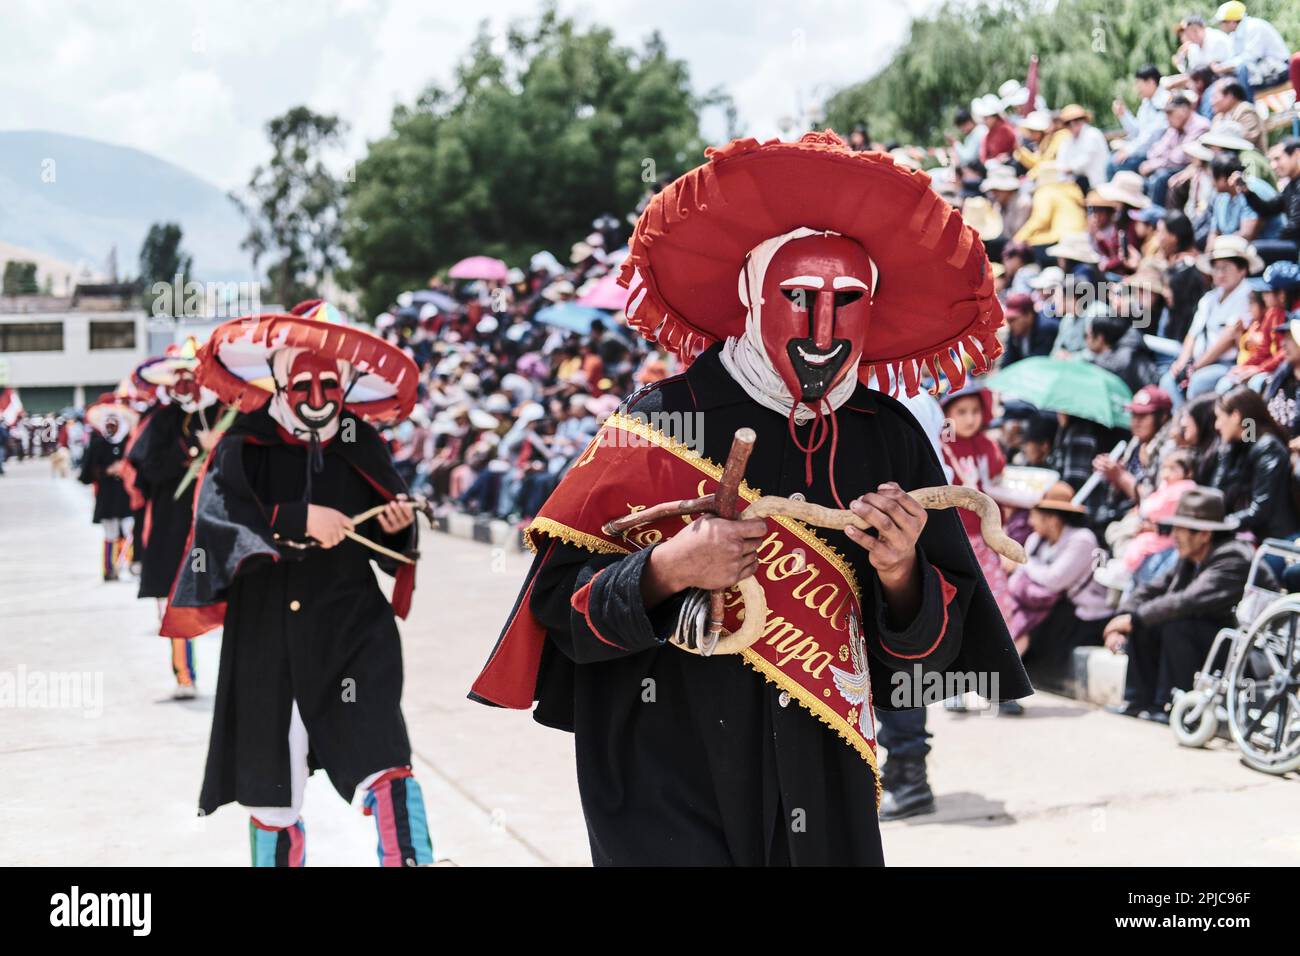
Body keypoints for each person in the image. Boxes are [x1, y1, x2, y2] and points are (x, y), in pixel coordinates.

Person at [470, 132, 1032, 866]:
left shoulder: (888, 435)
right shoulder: (659, 421)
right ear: (749, 296)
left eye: (846, 301)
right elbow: (560, 612)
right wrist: (667, 569)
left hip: (827, 771)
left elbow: (933, 659)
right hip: (664, 774)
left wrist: (901, 575)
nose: (823, 329)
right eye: (797, 298)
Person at [163, 301, 435, 867]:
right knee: (273, 780)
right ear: (282, 382)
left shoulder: (361, 440)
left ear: (346, 384)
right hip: (268, 635)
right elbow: (216, 522)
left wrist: (399, 525)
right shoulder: (244, 443)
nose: (317, 398)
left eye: (329, 385)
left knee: (381, 750)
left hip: (351, 625)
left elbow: (394, 545)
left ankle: (412, 862)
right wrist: (294, 519)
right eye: (304, 384)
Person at [1105, 486, 1255, 722]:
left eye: (1181, 529)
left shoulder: (1233, 557)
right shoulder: (1190, 556)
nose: (1174, 535)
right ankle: (1138, 701)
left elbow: (1188, 601)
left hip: (1236, 647)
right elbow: (1151, 589)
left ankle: (1171, 704)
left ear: (1204, 534)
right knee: (1147, 622)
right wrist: (1123, 617)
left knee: (1174, 624)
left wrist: (1134, 619)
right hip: (1204, 637)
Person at [127, 340, 220, 698]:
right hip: (172, 520)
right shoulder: (162, 419)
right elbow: (146, 468)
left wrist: (218, 447)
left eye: (191, 377)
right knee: (174, 595)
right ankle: (185, 674)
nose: (185, 385)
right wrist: (190, 455)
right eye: (178, 378)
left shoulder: (224, 412)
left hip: (215, 518)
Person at [1005, 482, 1113, 681]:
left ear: (1052, 520)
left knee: (1031, 624)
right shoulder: (1036, 539)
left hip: (1081, 614)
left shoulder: (1082, 540)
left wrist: (1024, 563)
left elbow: (1054, 580)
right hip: (1049, 605)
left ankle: (1007, 679)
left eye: (1035, 516)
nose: (1030, 521)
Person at [1162, 234, 1261, 405]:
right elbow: (1193, 334)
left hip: (1226, 363)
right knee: (1167, 381)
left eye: (1226, 268)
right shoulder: (1209, 298)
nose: (1220, 273)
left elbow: (1229, 337)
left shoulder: (1248, 296)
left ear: (1242, 270)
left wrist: (1197, 366)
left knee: (1198, 382)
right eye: (1216, 268)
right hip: (1197, 362)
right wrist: (1182, 362)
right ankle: (1180, 425)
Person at [1209, 384, 1299, 540]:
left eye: (1219, 417)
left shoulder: (1268, 448)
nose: (1217, 425)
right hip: (1259, 536)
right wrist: (1227, 449)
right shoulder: (1247, 443)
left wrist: (1221, 525)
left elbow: (1261, 509)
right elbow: (1218, 494)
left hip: (1280, 540)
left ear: (1235, 416)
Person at [79, 398, 138, 581]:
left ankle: (131, 564)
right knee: (110, 532)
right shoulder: (97, 444)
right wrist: (105, 471)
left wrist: (125, 468)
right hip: (107, 496)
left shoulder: (130, 443)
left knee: (130, 529)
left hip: (127, 494)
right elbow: (86, 473)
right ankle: (110, 568)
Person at [1233, 137, 1300, 263]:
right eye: (1271, 160)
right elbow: (1269, 209)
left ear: (1296, 154)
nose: (1273, 166)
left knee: (1251, 250)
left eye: (1278, 159)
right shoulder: (1291, 186)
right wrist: (1247, 192)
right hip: (1292, 243)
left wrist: (1276, 240)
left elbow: (1296, 226)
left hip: (1296, 246)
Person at [1140, 93, 1211, 206]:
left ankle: (1156, 218)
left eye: (1170, 112)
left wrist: (1155, 163)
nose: (1167, 117)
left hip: (1190, 168)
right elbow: (1155, 151)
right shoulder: (1176, 127)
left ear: (1184, 109)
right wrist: (1156, 161)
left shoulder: (1200, 125)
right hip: (1173, 166)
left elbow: (1179, 157)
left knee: (1160, 178)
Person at [1212, 1, 1292, 95]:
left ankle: (1247, 106)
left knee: (1243, 69)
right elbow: (1234, 58)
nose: (1220, 26)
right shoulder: (1235, 35)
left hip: (1279, 69)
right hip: (1262, 70)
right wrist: (1221, 66)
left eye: (1221, 22)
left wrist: (1224, 67)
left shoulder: (1253, 27)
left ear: (1232, 22)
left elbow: (1250, 57)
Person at [1111, 65, 1170, 176]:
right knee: (1113, 159)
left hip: (1156, 153)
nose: (1137, 88)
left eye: (1139, 84)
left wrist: (1128, 150)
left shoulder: (1165, 101)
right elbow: (1137, 132)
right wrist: (1123, 115)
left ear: (1151, 82)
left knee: (1116, 164)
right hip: (1143, 150)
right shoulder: (1146, 103)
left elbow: (1152, 137)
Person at [1056, 104, 1110, 193]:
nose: (1072, 124)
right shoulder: (1067, 141)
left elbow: (1084, 161)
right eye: (1068, 122)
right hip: (1075, 182)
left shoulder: (1092, 134)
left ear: (1083, 120)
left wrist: (1067, 169)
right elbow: (1061, 162)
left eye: (1076, 120)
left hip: (1095, 182)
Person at [1208, 77, 1268, 152]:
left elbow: (1247, 140)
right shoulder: (1218, 117)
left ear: (1229, 96)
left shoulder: (1245, 110)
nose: (1211, 102)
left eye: (1215, 97)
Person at [1000, 291, 1059, 365]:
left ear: (1029, 315)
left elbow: (1036, 363)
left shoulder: (1046, 329)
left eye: (1013, 319)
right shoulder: (1016, 330)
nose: (1010, 324)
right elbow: (1008, 360)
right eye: (1008, 320)